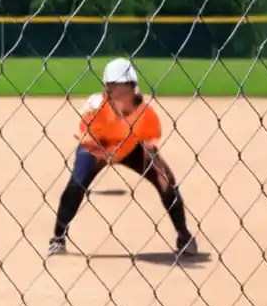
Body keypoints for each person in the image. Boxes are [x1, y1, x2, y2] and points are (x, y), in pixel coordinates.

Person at [48, 58, 197, 257]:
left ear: (133, 88)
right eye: (114, 88)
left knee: (165, 179)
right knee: (76, 184)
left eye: (125, 88)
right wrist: (102, 151)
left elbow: (147, 144)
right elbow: (88, 137)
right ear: (107, 89)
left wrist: (153, 161)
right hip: (99, 147)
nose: (120, 93)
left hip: (129, 147)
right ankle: (58, 237)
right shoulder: (95, 108)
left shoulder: (144, 112)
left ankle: (183, 235)